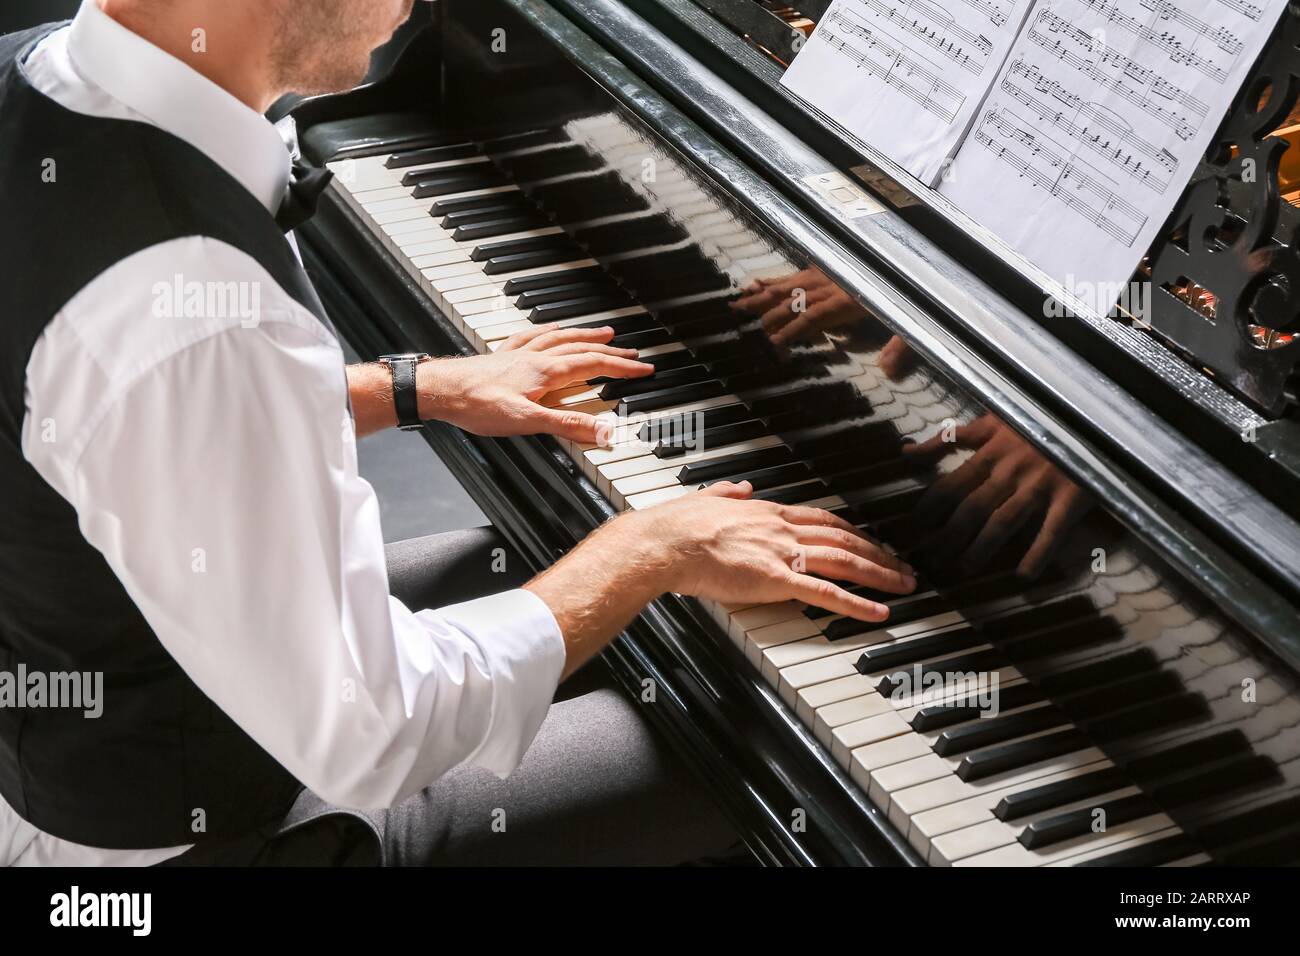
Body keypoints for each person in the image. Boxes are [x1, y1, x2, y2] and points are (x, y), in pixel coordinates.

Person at [0, 0, 915, 865]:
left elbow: (134, 418)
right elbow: (373, 730)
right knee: (762, 753)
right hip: (194, 838)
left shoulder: (45, 77)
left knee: (548, 565)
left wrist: (417, 385)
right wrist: (653, 546)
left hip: (101, 680)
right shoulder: (189, 314)